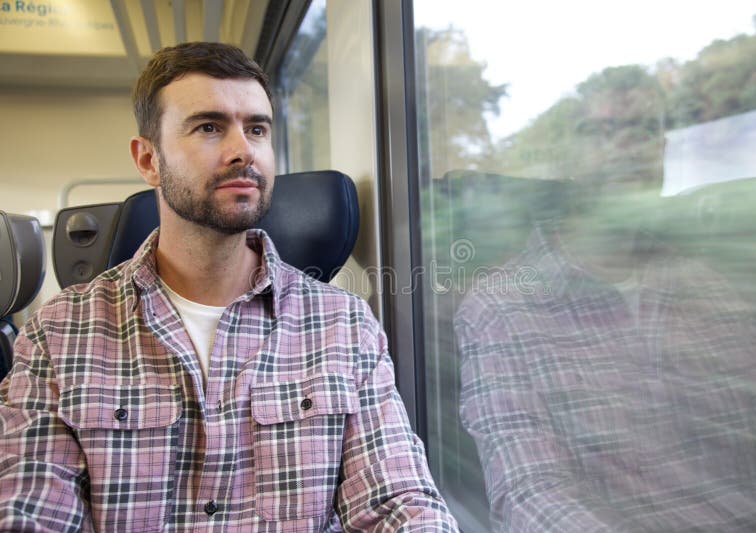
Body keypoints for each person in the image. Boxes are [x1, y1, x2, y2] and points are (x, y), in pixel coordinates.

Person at [0, 42, 458, 532]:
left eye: (256, 129)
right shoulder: (60, 334)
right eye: (209, 127)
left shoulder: (344, 325)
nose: (243, 151)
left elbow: (397, 501)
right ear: (149, 159)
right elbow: (30, 513)